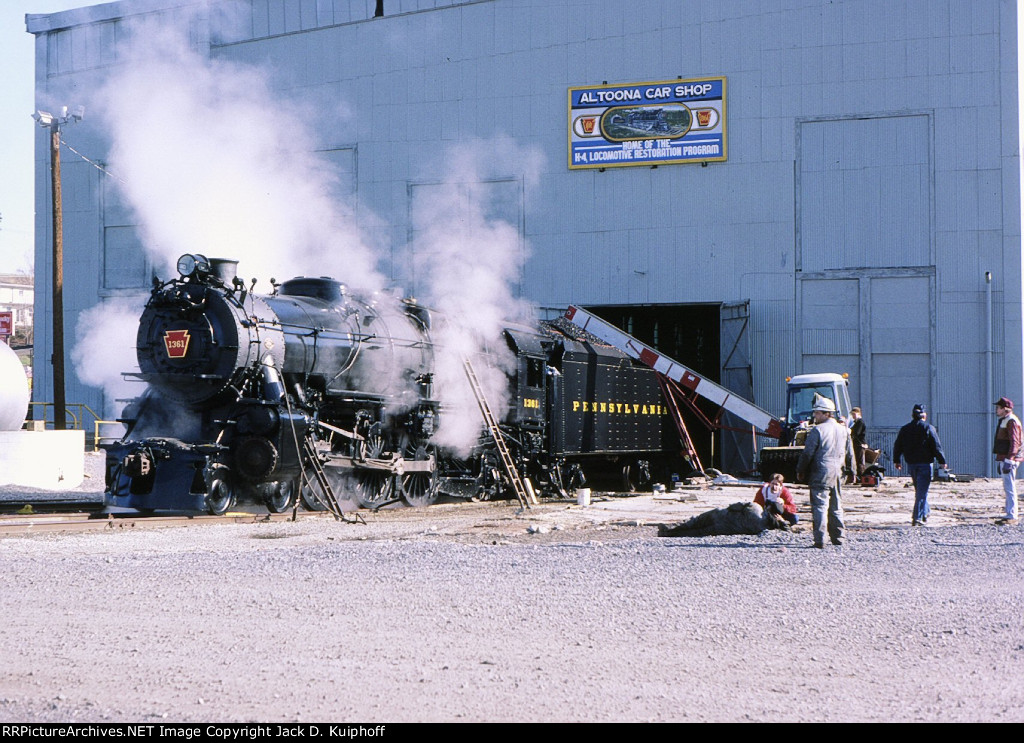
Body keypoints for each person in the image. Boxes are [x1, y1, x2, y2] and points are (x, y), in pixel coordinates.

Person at [796, 394, 854, 548]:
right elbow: (850, 453)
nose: (814, 415)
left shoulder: (818, 430)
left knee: (820, 506)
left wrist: (800, 470)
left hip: (821, 472)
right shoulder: (844, 430)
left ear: (826, 413)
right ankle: (839, 538)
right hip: (837, 473)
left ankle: (820, 539)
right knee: (836, 505)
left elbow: (808, 453)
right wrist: (852, 471)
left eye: (817, 412)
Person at [892, 403, 947, 526]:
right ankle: (917, 517)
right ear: (924, 415)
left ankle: (925, 512)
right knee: (922, 492)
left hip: (911, 464)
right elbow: (936, 446)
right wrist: (942, 461)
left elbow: (898, 446)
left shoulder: (905, 429)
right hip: (925, 464)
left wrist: (897, 460)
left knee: (920, 490)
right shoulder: (928, 428)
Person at [992, 397, 1021, 525]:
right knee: (1008, 486)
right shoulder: (1007, 420)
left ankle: (1012, 515)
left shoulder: (1011, 421)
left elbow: (1015, 442)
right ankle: (1010, 513)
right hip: (1005, 457)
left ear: (1005, 409)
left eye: (998, 408)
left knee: (1010, 487)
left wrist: (1009, 459)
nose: (996, 410)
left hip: (1009, 458)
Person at [849, 407, 867, 480]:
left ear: (858, 414)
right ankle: (859, 478)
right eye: (852, 414)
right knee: (858, 461)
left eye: (854, 414)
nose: (853, 416)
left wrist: (851, 433)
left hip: (859, 444)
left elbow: (856, 433)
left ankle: (861, 478)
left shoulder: (860, 422)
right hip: (857, 444)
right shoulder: (856, 422)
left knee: (860, 462)